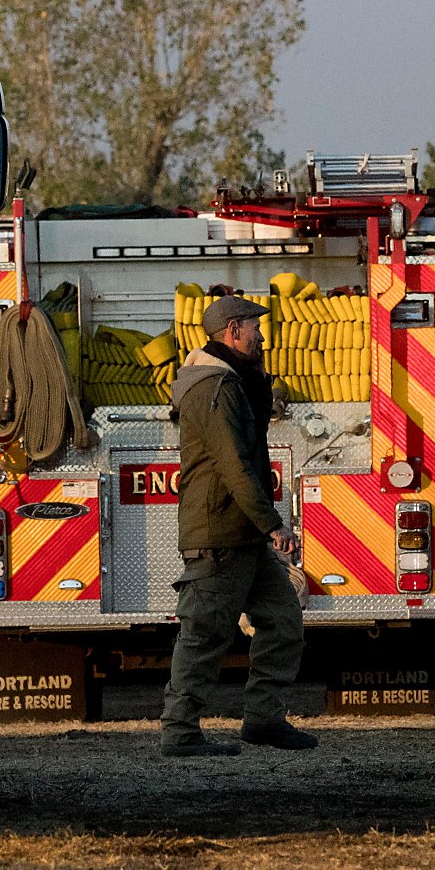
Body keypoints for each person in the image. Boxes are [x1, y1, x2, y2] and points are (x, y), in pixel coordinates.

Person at [159, 294, 318, 757]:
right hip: (219, 533)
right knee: (205, 634)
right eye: (254, 327)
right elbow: (235, 466)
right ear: (233, 331)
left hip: (242, 534)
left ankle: (264, 720)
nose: (261, 336)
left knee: (284, 621)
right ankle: (181, 733)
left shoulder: (236, 381)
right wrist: (274, 525)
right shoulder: (214, 388)